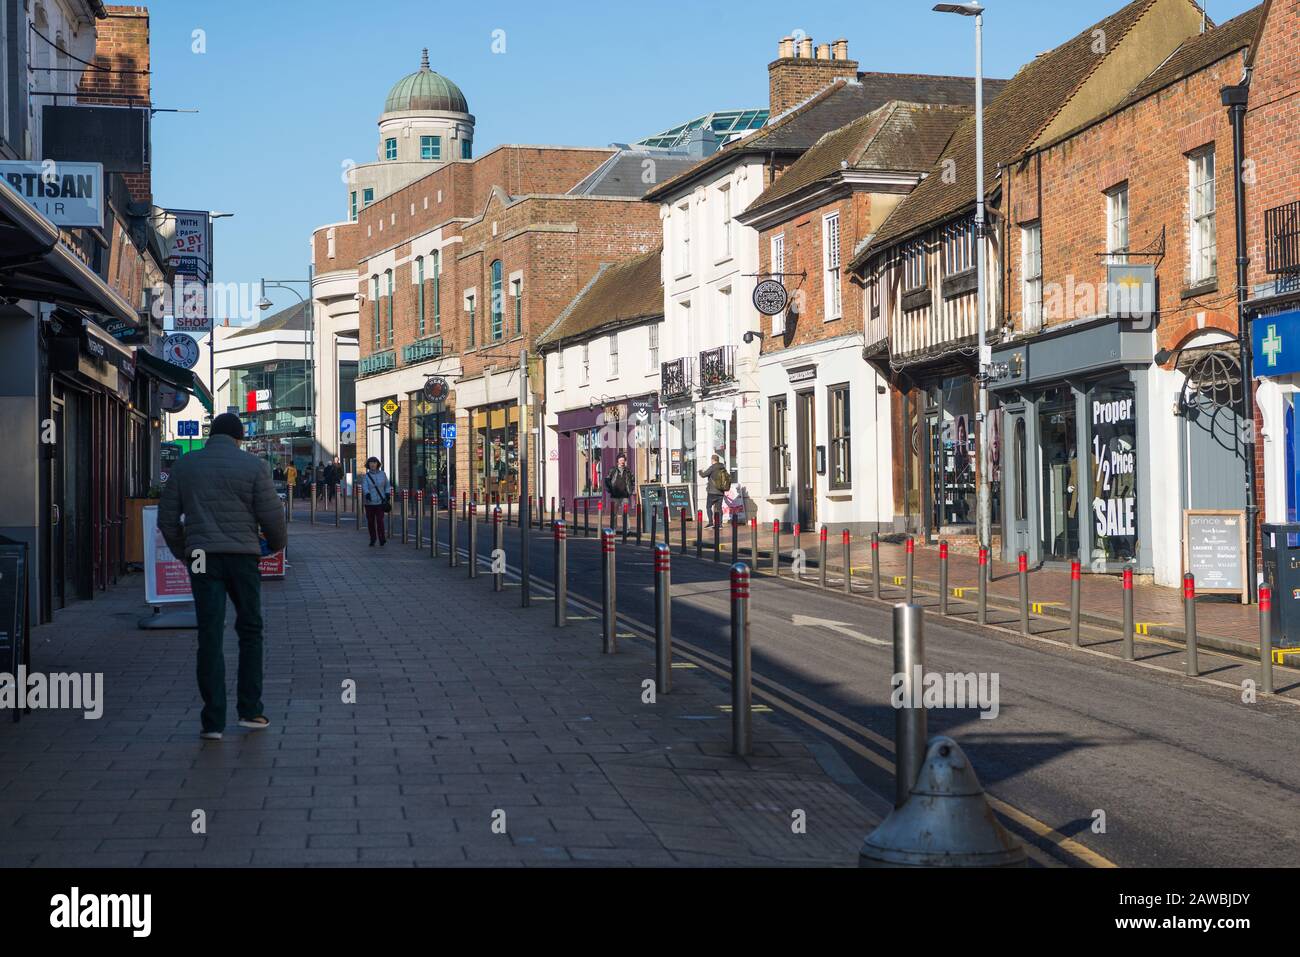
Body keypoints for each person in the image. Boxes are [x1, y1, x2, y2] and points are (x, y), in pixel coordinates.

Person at [157, 413, 287, 741]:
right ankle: (250, 710)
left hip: (202, 557)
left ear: (211, 435)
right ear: (239, 437)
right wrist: (273, 545)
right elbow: (272, 517)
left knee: (210, 634)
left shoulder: (186, 466)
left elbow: (167, 519)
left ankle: (212, 721)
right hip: (243, 556)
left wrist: (184, 550)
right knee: (250, 629)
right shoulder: (253, 466)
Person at [361, 456, 391, 546]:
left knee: (380, 521)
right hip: (369, 503)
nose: (373, 464)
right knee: (370, 522)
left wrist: (387, 493)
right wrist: (367, 494)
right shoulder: (366, 476)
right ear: (368, 465)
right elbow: (365, 486)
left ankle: (382, 538)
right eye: (371, 463)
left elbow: (387, 485)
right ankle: (373, 538)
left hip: (380, 502)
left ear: (377, 464)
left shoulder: (383, 474)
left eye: (374, 462)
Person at [699, 454, 730, 528]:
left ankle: (710, 523)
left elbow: (703, 475)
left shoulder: (712, 467)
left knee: (708, 507)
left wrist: (700, 471)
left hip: (712, 492)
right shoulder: (723, 468)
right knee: (719, 508)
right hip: (721, 492)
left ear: (713, 460)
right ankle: (720, 524)